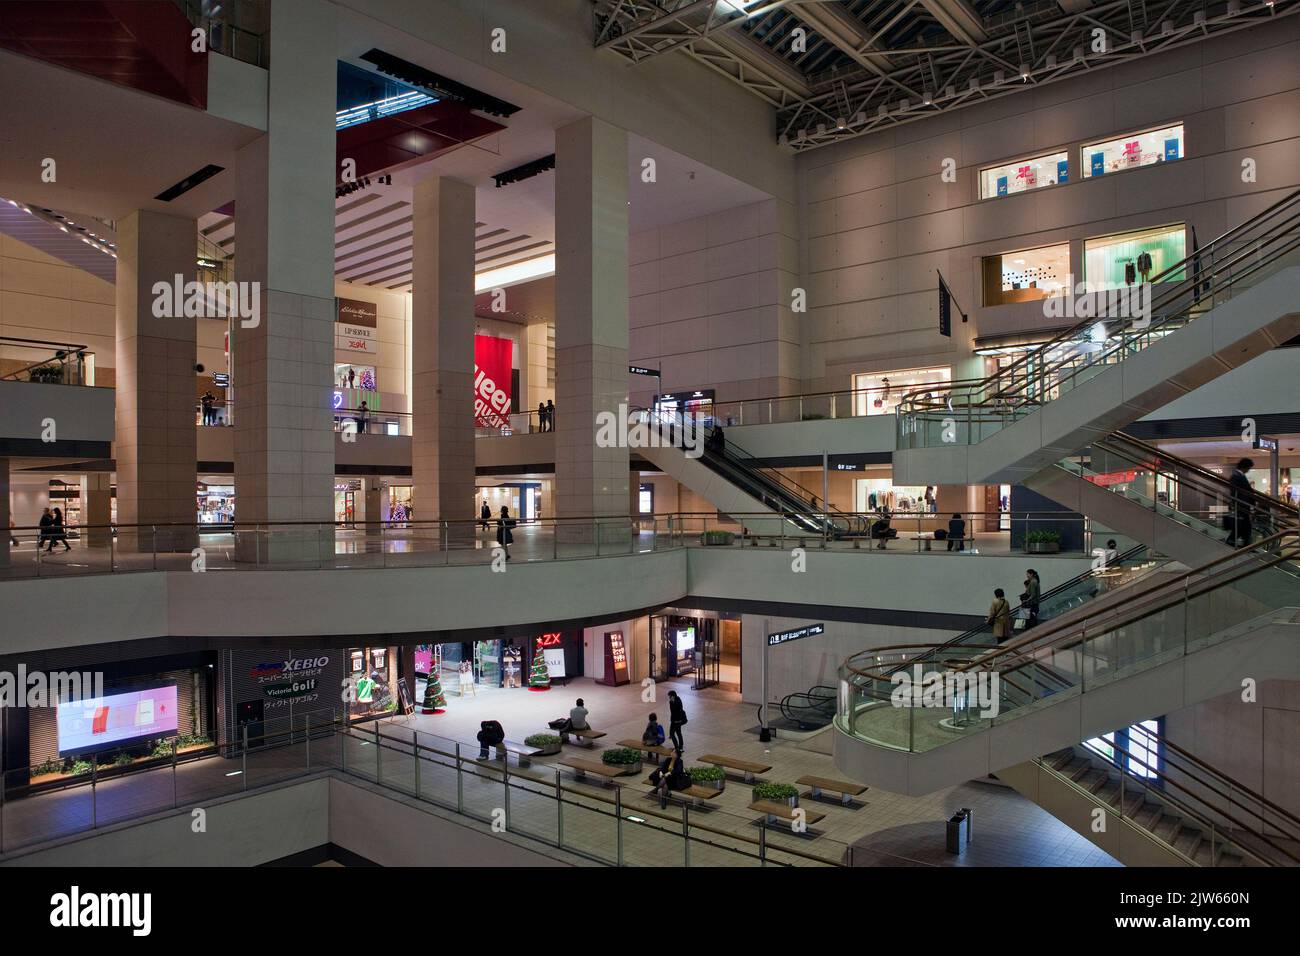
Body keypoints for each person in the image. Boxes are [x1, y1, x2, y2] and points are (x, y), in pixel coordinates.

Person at [1228, 457, 1254, 547]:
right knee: (1244, 524)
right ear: (1245, 467)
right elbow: (1235, 491)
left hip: (1242, 504)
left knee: (1244, 524)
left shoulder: (1239, 475)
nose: (1249, 470)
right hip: (1241, 504)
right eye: (1249, 468)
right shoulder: (1236, 476)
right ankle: (1238, 541)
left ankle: (1244, 542)